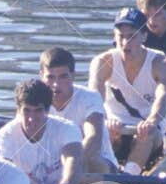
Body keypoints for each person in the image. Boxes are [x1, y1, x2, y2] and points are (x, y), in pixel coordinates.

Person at [90, 7, 166, 174]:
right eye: (121, 36)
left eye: (132, 36)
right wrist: (104, 120)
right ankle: (108, 174)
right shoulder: (103, 62)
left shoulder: (162, 63)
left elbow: (163, 97)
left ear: (144, 36)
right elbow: (94, 99)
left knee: (146, 135)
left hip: (149, 131)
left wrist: (151, 121)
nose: (125, 43)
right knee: (98, 133)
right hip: (115, 128)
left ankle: (128, 179)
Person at [0, 78, 83, 184]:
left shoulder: (67, 129)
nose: (31, 119)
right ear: (18, 110)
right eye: (27, 111)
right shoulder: (6, 136)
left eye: (38, 111)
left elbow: (72, 159)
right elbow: (3, 172)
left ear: (48, 110)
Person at [39, 46, 114, 176]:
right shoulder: (36, 102)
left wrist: (68, 170)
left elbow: (93, 137)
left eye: (63, 77)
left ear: (73, 76)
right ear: (41, 76)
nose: (56, 85)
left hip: (100, 166)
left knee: (91, 160)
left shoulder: (90, 97)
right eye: (50, 77)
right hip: (55, 168)